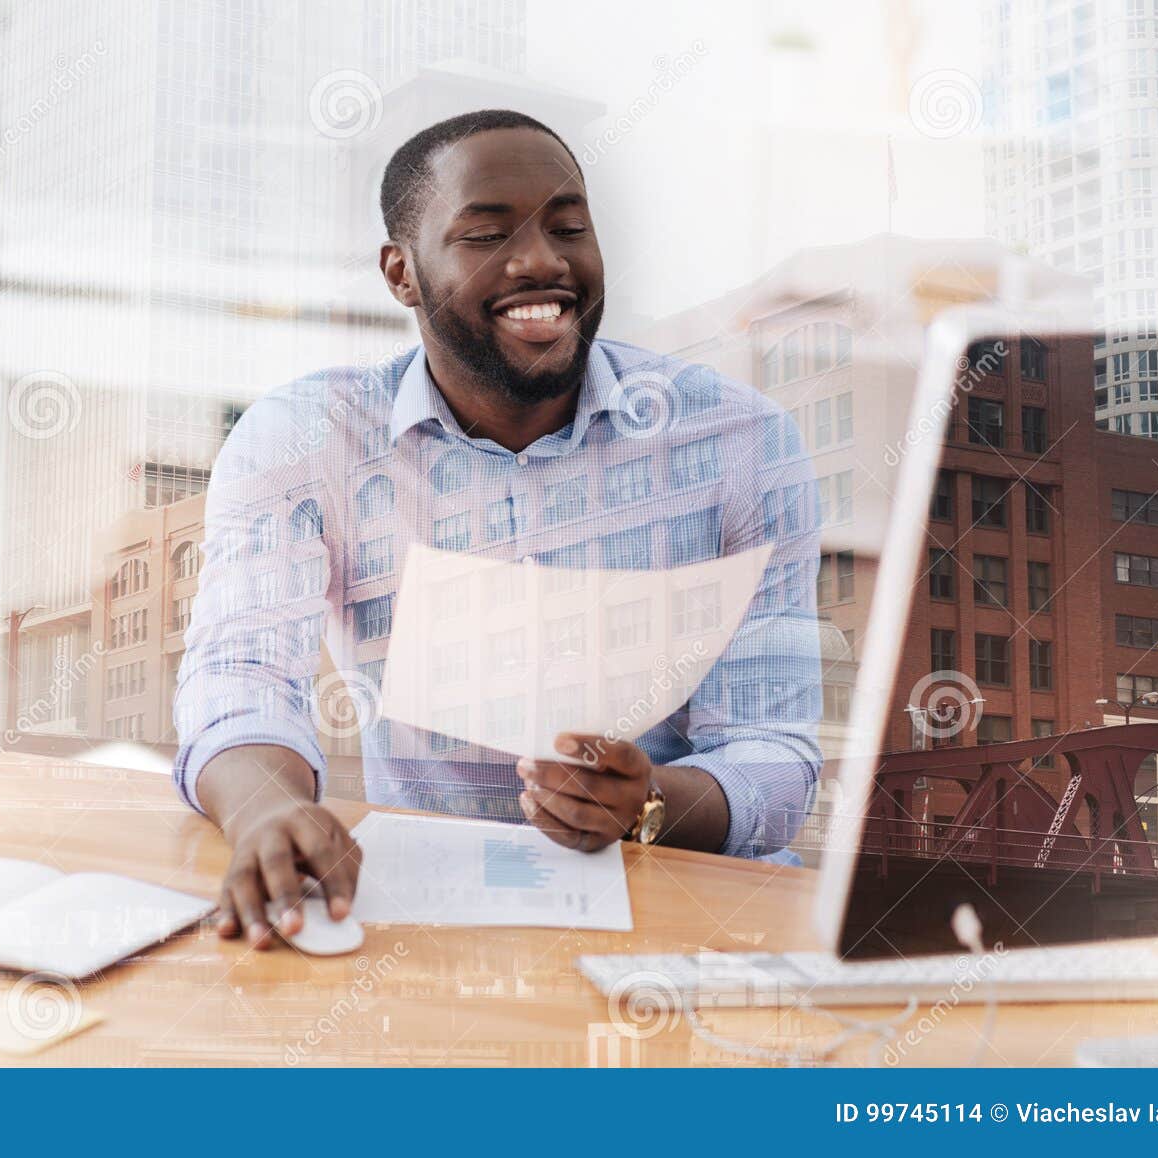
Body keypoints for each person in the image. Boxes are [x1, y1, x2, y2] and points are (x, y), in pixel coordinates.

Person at [173, 109, 823, 948]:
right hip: (432, 926)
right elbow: (242, 674)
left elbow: (775, 750)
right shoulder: (307, 440)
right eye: (486, 236)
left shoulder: (739, 444)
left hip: (683, 919)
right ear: (402, 274)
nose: (542, 261)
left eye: (569, 228)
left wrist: (649, 802)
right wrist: (267, 810)